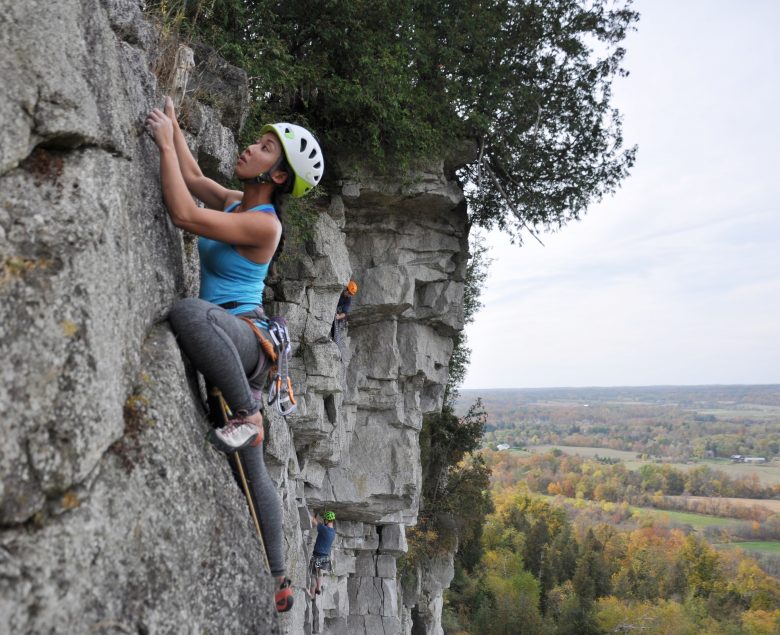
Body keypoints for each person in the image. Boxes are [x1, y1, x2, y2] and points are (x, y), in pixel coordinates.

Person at [145, 96, 324, 613]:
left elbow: (183, 213)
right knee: (252, 466)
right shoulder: (234, 202)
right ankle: (279, 577)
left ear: (279, 176)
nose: (250, 147)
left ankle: (248, 415)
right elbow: (194, 177)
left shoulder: (266, 225)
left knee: (189, 312)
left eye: (265, 148)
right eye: (258, 141)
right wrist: (174, 126)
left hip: (244, 338)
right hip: (232, 341)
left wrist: (163, 144)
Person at [308, 511, 337, 599]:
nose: (324, 521)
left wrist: (311, 515)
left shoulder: (324, 529)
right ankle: (319, 588)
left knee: (313, 574)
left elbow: (313, 521)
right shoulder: (333, 531)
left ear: (327, 520)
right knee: (319, 573)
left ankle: (312, 595)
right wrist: (321, 520)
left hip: (318, 556)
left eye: (325, 519)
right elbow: (323, 525)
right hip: (325, 557)